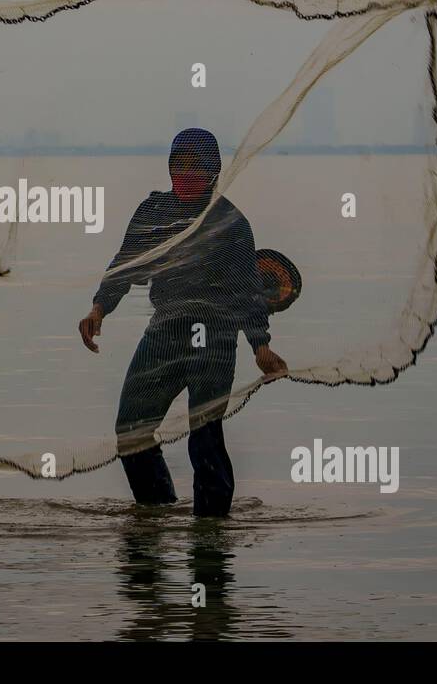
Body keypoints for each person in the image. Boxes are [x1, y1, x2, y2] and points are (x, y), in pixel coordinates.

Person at [78, 128, 287, 517]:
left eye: (197, 165)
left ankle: (212, 529)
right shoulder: (153, 212)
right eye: (180, 163)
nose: (187, 172)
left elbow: (247, 291)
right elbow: (126, 263)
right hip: (165, 333)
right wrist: (98, 310)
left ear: (214, 170)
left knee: (204, 438)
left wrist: (261, 345)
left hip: (216, 339)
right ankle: (157, 513)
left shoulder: (230, 222)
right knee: (131, 429)